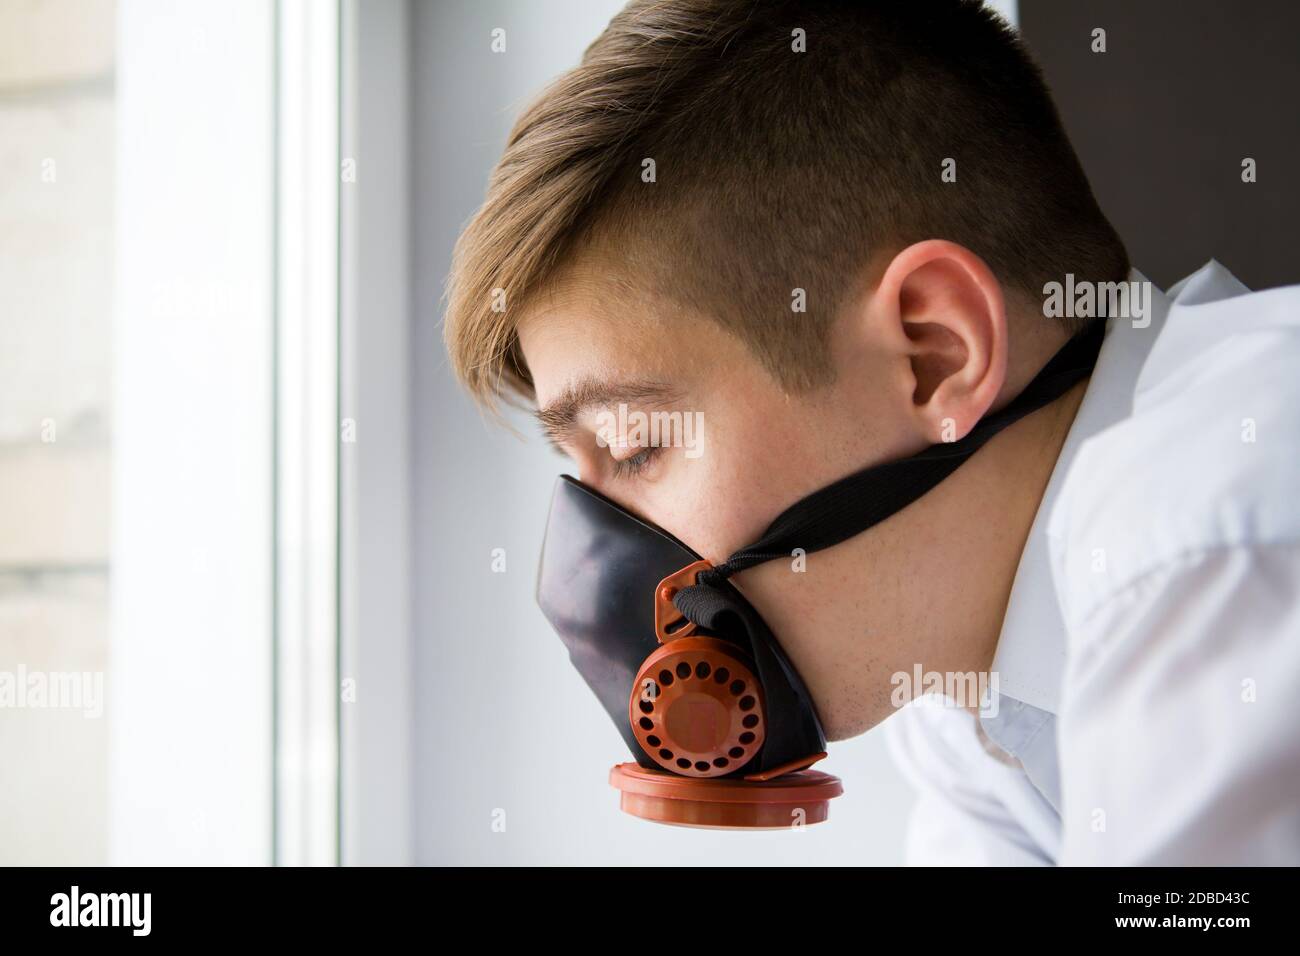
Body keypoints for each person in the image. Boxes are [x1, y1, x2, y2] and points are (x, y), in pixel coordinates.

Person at [442, 0, 1300, 864]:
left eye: (636, 444)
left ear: (934, 352)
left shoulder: (1214, 534)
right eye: (581, 475)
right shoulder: (975, 709)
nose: (593, 565)